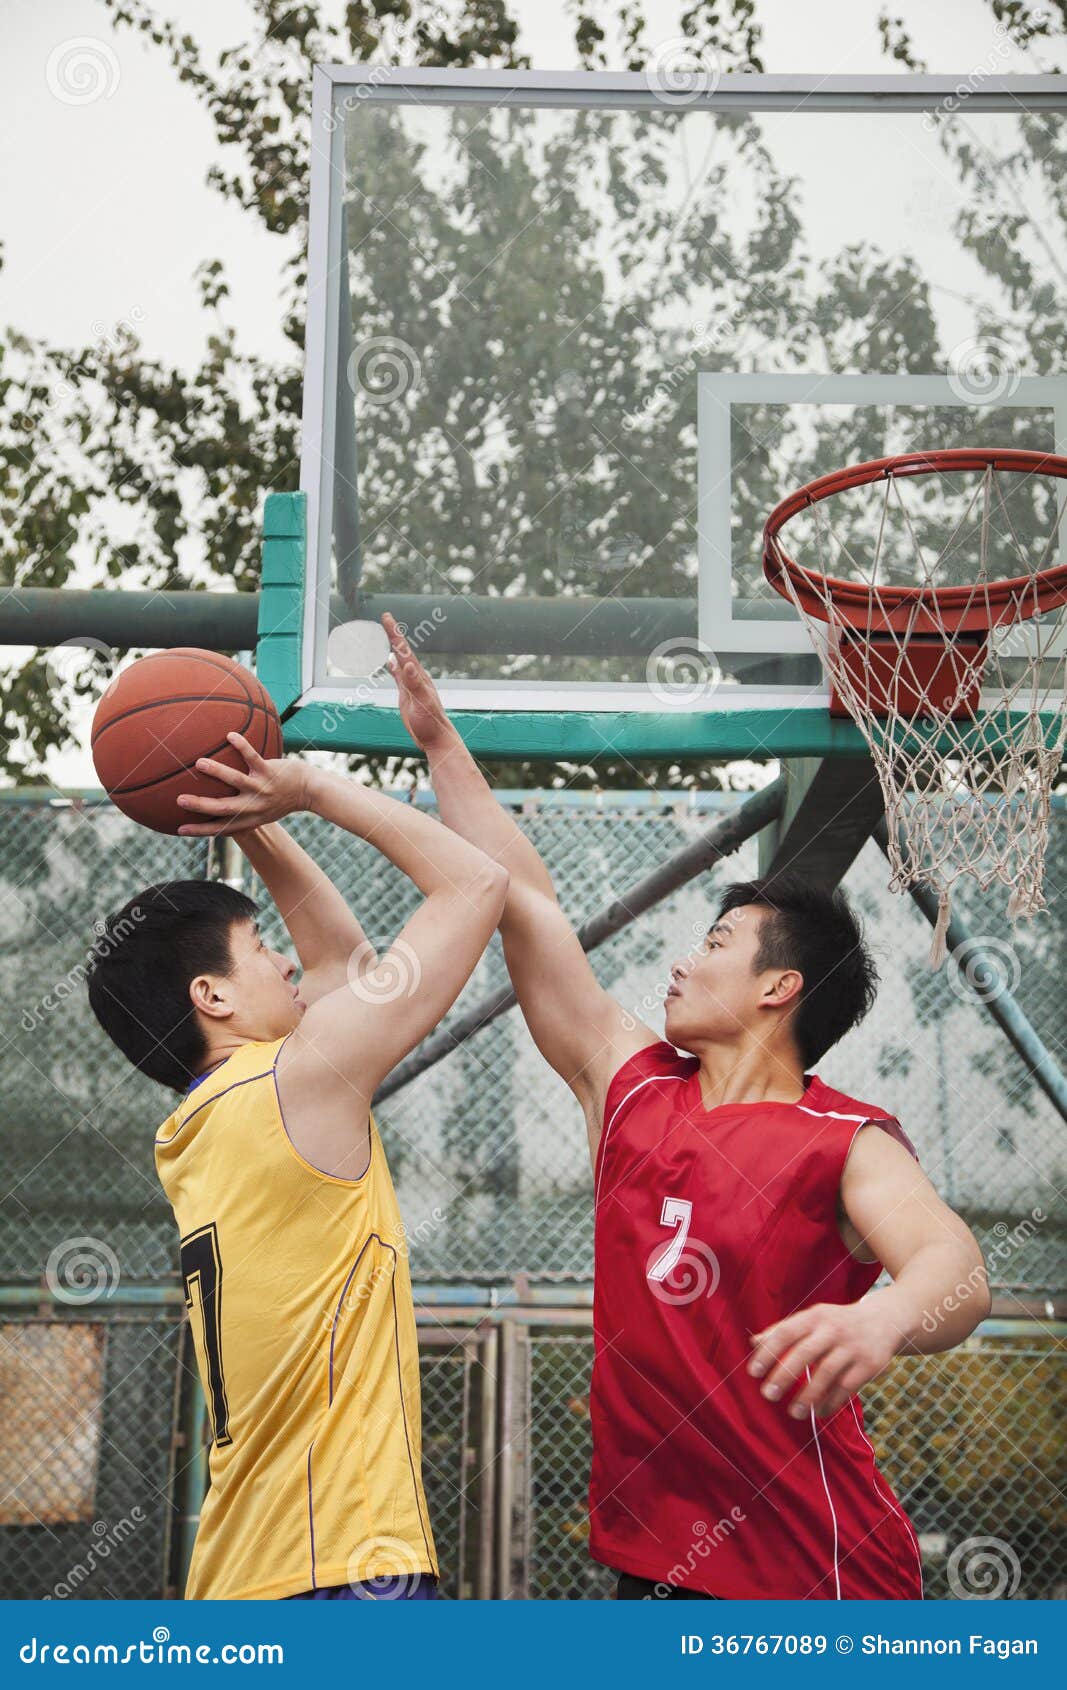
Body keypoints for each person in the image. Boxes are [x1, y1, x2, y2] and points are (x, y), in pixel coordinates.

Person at [382, 613, 990, 1602]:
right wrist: (440, 743)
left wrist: (881, 1323)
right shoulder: (629, 1085)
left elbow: (953, 1269)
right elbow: (524, 900)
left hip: (818, 1580)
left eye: (713, 942)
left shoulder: (841, 1141)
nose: (681, 957)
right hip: (649, 1568)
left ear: (776, 987)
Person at [86, 734, 508, 1600]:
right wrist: (308, 789)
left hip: (243, 1573)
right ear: (214, 996)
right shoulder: (294, 1084)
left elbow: (339, 969)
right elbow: (475, 885)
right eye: (258, 949)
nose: (285, 960)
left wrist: (253, 818)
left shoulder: (204, 1126)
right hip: (339, 1573)